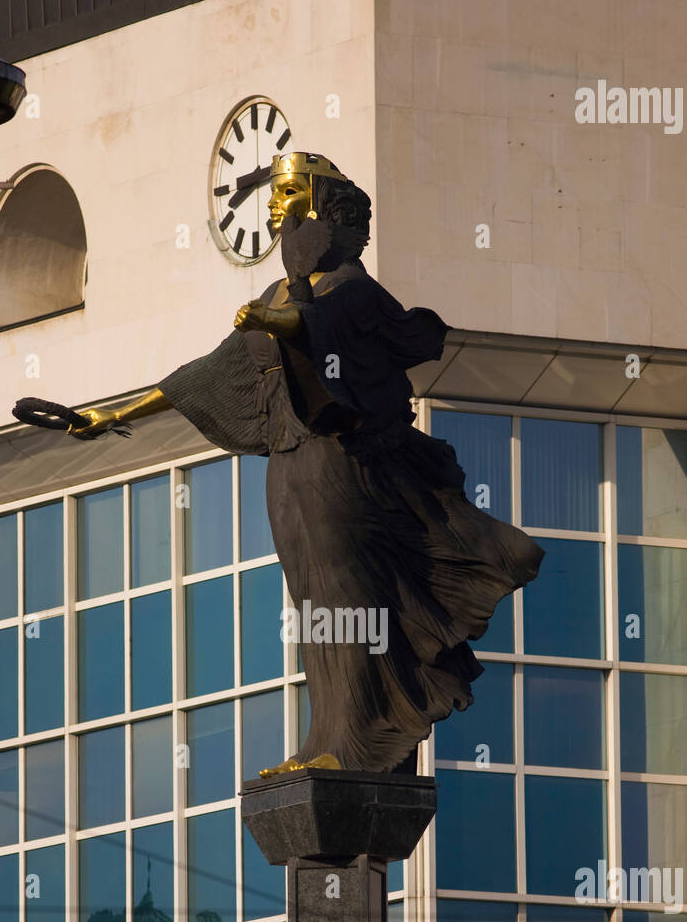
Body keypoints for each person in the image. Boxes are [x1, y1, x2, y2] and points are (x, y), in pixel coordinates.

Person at [68, 152, 544, 775]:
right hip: (288, 469)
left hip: (339, 468)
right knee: (313, 604)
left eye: (288, 190)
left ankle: (356, 744)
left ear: (320, 206)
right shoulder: (275, 294)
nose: (272, 200)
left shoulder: (352, 288)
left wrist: (286, 296)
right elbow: (207, 374)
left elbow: (311, 329)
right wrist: (112, 415)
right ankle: (326, 737)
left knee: (347, 595)